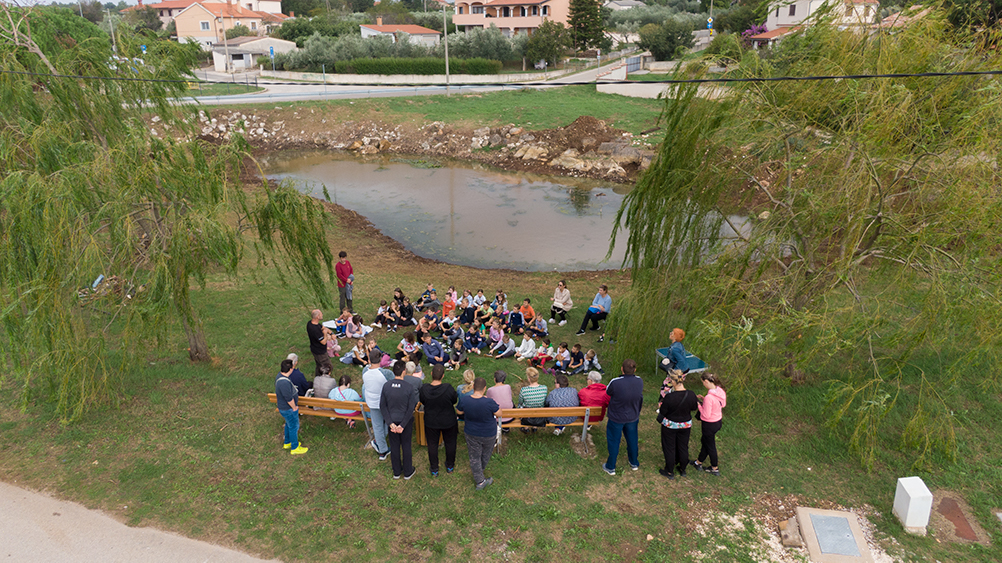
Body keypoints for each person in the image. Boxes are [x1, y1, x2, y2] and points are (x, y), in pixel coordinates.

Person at [456, 377, 502, 491]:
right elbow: (499, 413)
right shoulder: (489, 402)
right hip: (489, 433)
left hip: (471, 432)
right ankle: (480, 480)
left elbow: (459, 411)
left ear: (473, 387)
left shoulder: (465, 400)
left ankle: (478, 473)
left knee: (474, 455)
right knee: (485, 454)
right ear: (485, 388)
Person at [602, 359, 643, 476]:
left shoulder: (615, 382)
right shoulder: (639, 381)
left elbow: (608, 392)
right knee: (632, 439)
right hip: (632, 416)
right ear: (635, 370)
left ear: (621, 369)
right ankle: (634, 463)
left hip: (616, 417)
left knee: (614, 441)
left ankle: (611, 467)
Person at [380, 361, 419, 480]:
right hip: (405, 422)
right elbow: (411, 407)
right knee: (406, 445)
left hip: (392, 421)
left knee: (394, 445)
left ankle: (396, 472)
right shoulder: (409, 387)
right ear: (404, 371)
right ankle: (407, 472)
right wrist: (402, 425)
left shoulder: (386, 386)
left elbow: (383, 406)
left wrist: (390, 423)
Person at [657, 370, 698, 480]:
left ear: (672, 381)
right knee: (683, 446)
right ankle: (682, 468)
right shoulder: (691, 394)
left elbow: (663, 412)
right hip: (685, 425)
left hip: (670, 425)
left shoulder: (670, 397)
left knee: (669, 447)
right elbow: (694, 407)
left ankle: (669, 471)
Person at [419, 365, 459, 476]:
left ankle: (434, 468)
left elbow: (422, 401)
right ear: (443, 376)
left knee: (432, 444)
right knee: (450, 443)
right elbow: (454, 400)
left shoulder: (424, 389)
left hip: (431, 422)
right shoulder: (448, 388)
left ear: (432, 374)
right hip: (448, 421)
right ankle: (450, 466)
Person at [691, 373, 727, 477]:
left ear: (706, 381)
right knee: (705, 442)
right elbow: (721, 404)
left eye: (703, 382)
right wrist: (704, 400)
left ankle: (714, 468)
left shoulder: (709, 398)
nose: (703, 384)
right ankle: (698, 462)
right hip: (717, 422)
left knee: (710, 446)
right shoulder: (719, 391)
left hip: (709, 425)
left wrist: (699, 405)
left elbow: (706, 415)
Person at [275, 359, 308, 455]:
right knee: (294, 426)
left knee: (288, 424)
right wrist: (294, 408)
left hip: (284, 408)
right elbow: (288, 398)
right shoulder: (284, 383)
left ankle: (287, 442)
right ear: (290, 369)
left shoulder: (280, 376)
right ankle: (295, 447)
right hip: (288, 408)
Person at [361, 355, 391, 461]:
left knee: (378, 426)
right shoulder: (386, 373)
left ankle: (382, 450)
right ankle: (382, 448)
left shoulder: (365, 371)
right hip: (384, 403)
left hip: (372, 402)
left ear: (369, 360)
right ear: (380, 359)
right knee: (388, 423)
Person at [517, 367, 547, 431]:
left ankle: (526, 427)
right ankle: (534, 427)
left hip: (527, 416)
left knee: (520, 405)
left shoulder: (524, 390)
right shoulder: (544, 388)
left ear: (528, 378)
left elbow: (520, 401)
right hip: (540, 416)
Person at [307, 309, 333, 378]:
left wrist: (331, 333)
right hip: (320, 352)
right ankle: (324, 380)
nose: (322, 315)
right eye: (321, 314)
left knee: (319, 365)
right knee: (328, 367)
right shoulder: (315, 330)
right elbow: (323, 342)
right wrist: (325, 334)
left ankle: (317, 378)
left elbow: (324, 328)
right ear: (318, 317)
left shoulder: (310, 323)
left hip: (314, 349)